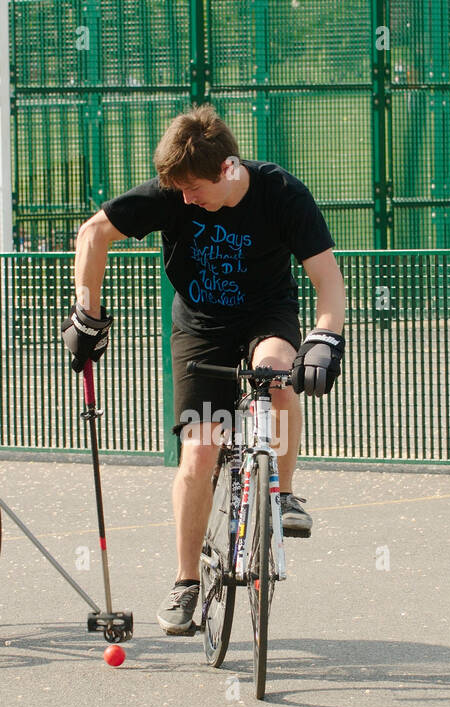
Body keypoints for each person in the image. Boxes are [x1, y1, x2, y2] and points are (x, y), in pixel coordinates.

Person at [65, 105, 347, 634]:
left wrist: (324, 339)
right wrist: (87, 311)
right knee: (199, 449)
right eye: (179, 190)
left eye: (194, 189)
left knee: (279, 380)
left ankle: (281, 494)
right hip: (200, 325)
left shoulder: (283, 193)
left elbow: (328, 281)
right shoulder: (174, 191)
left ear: (227, 168)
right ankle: (186, 580)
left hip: (267, 315)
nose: (186, 199)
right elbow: (94, 233)